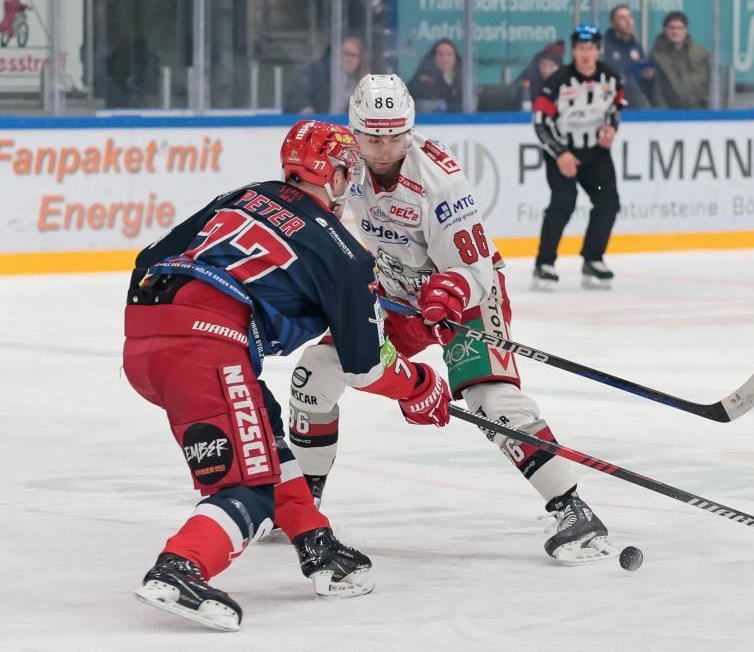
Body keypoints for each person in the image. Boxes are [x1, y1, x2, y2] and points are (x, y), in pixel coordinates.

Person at [123, 120, 452, 632]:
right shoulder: (345, 254)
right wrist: (419, 386)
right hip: (207, 347)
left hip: (145, 340)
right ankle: (181, 567)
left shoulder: (246, 194)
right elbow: (364, 367)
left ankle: (315, 544)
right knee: (245, 488)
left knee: (267, 437)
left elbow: (149, 258)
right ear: (339, 175)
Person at [287, 73, 617, 565]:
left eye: (394, 136)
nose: (383, 149)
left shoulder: (438, 178)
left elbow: (474, 268)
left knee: (490, 398)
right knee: (315, 371)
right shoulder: (343, 165)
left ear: (410, 129)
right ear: (355, 131)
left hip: (466, 295)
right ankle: (302, 503)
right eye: (373, 137)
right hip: (395, 296)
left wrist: (452, 290)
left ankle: (572, 508)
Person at [531, 25, 625, 291]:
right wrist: (561, 154)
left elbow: (616, 106)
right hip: (561, 151)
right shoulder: (557, 82)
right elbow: (540, 123)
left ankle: (593, 258)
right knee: (564, 201)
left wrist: (611, 128)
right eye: (581, 48)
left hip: (595, 152)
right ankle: (544, 264)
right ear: (573, 50)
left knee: (608, 203)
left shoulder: (611, 77)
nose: (586, 53)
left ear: (598, 50)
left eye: (591, 48)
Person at [284, 37, 369, 114]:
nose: (347, 58)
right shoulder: (318, 72)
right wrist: (305, 108)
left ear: (360, 59)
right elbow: (298, 93)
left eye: (352, 55)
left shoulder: (365, 83)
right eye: (344, 53)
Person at [650, 12, 711, 110]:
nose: (675, 32)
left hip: (701, 113)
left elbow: (715, 83)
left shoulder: (701, 54)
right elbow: (656, 91)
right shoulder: (656, 57)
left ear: (686, 30)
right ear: (665, 30)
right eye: (671, 28)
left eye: (679, 28)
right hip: (670, 115)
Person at [603, 5, 654, 108]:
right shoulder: (604, 47)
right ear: (613, 24)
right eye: (622, 18)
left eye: (629, 17)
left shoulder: (636, 46)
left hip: (635, 105)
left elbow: (643, 82)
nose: (628, 21)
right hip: (612, 103)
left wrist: (647, 76)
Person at [408, 38, 462, 112]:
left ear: (456, 58)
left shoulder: (465, 81)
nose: (444, 59)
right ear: (433, 57)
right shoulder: (421, 78)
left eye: (449, 55)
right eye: (440, 54)